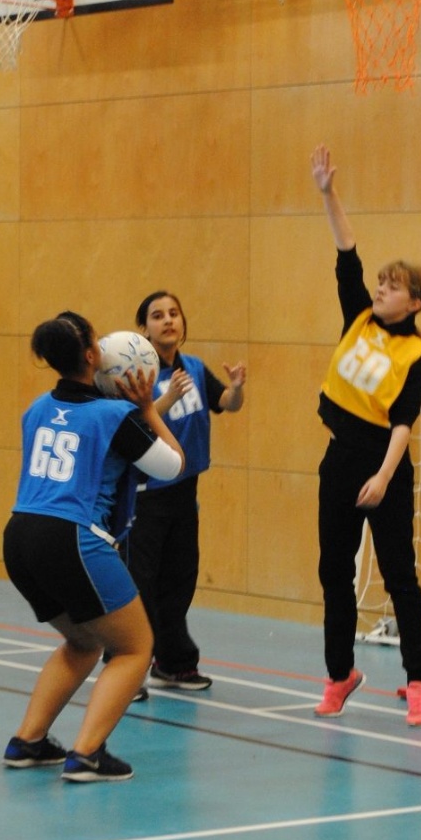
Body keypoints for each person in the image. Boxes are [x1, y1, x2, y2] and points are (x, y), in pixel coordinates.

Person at [1, 311, 184, 782]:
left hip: (20, 535)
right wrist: (147, 409)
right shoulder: (114, 416)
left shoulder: (37, 408)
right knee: (135, 648)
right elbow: (172, 466)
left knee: (82, 641)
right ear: (90, 355)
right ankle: (87, 754)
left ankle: (28, 741)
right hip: (72, 536)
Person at [308, 144, 421, 726]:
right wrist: (328, 192)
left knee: (399, 575)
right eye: (381, 283)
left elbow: (404, 419)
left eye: (393, 286)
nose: (381, 290)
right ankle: (340, 674)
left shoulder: (417, 352)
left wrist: (383, 478)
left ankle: (418, 680)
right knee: (333, 572)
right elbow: (347, 252)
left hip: (385, 467)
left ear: (415, 301)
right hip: (340, 460)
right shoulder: (358, 316)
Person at [124, 290, 245, 695]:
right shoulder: (136, 375)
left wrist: (236, 387)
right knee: (139, 584)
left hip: (183, 493)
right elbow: (132, 423)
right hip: (144, 496)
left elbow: (227, 403)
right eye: (157, 315)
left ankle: (173, 663)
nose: (168, 321)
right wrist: (167, 398)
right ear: (144, 328)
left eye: (174, 313)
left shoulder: (192, 367)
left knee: (179, 582)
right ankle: (127, 670)